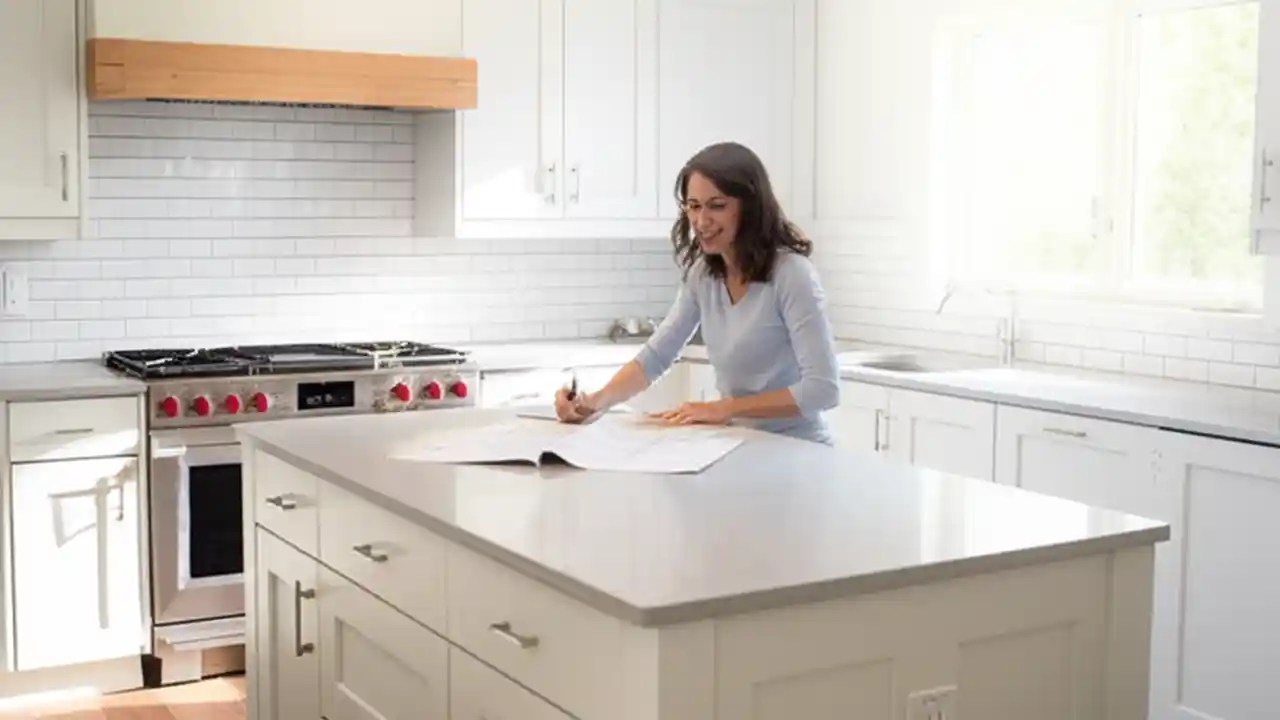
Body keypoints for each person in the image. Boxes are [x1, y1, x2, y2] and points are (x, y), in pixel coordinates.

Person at [554, 141, 841, 445]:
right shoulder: (703, 275)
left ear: (751, 208)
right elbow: (656, 356)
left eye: (717, 205)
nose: (701, 221)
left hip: (800, 449)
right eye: (693, 206)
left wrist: (725, 408)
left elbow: (823, 389)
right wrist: (594, 403)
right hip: (738, 443)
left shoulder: (791, 275)